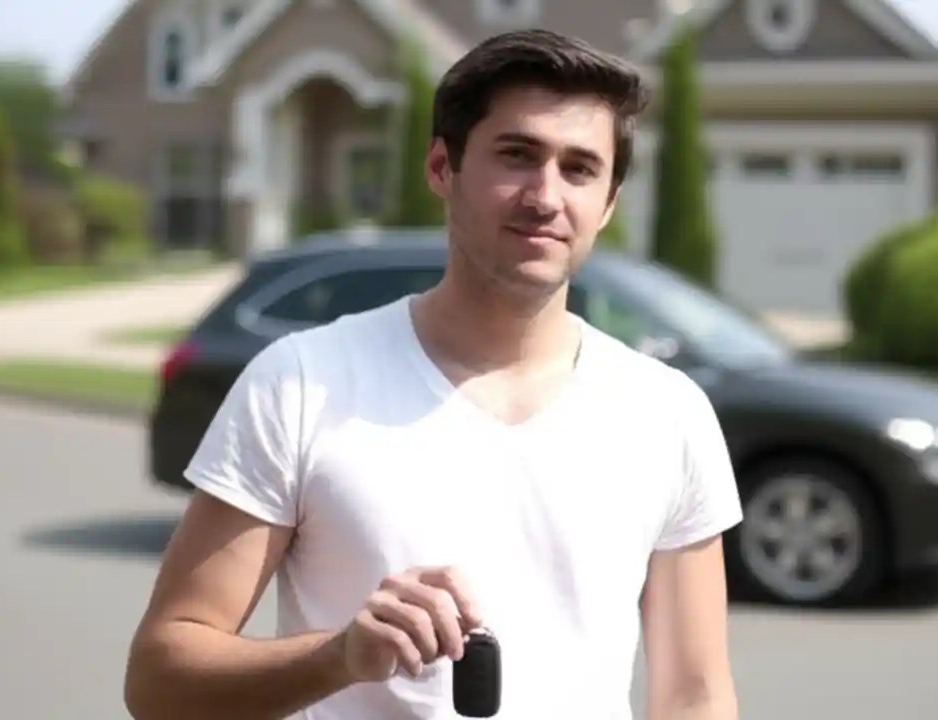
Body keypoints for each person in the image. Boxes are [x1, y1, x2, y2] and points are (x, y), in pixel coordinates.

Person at [124, 28, 743, 720]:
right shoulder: (300, 384)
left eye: (579, 169)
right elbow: (159, 683)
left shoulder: (668, 412)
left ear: (608, 203)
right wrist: (338, 657)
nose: (545, 195)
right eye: (517, 155)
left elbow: (695, 695)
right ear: (442, 168)